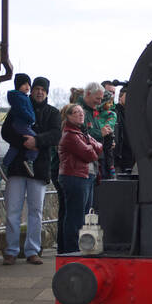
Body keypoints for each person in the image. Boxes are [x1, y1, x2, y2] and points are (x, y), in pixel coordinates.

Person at [1, 74, 60, 265]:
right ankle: (11, 250)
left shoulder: (53, 113)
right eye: (36, 89)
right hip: (18, 168)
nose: (39, 92)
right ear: (31, 90)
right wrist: (24, 142)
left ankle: (33, 250)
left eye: (43, 90)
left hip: (40, 168)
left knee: (36, 211)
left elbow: (56, 135)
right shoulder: (18, 109)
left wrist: (37, 141)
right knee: (12, 210)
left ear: (46, 93)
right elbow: (6, 132)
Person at [57, 102, 102, 254]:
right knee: (74, 217)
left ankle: (77, 248)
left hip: (86, 177)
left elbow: (99, 147)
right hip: (74, 177)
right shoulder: (70, 135)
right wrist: (92, 148)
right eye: (76, 112)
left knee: (83, 216)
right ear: (68, 116)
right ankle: (70, 249)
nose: (80, 114)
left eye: (81, 112)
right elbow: (90, 154)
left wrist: (91, 147)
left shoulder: (83, 134)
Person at [82, 81, 117, 184]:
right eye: (99, 99)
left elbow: (107, 129)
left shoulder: (111, 114)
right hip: (92, 155)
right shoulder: (87, 112)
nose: (100, 102)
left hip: (104, 152)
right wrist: (99, 132)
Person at [114, 83, 135, 173]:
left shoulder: (132, 114)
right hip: (119, 157)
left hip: (131, 157)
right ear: (120, 97)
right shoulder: (115, 112)